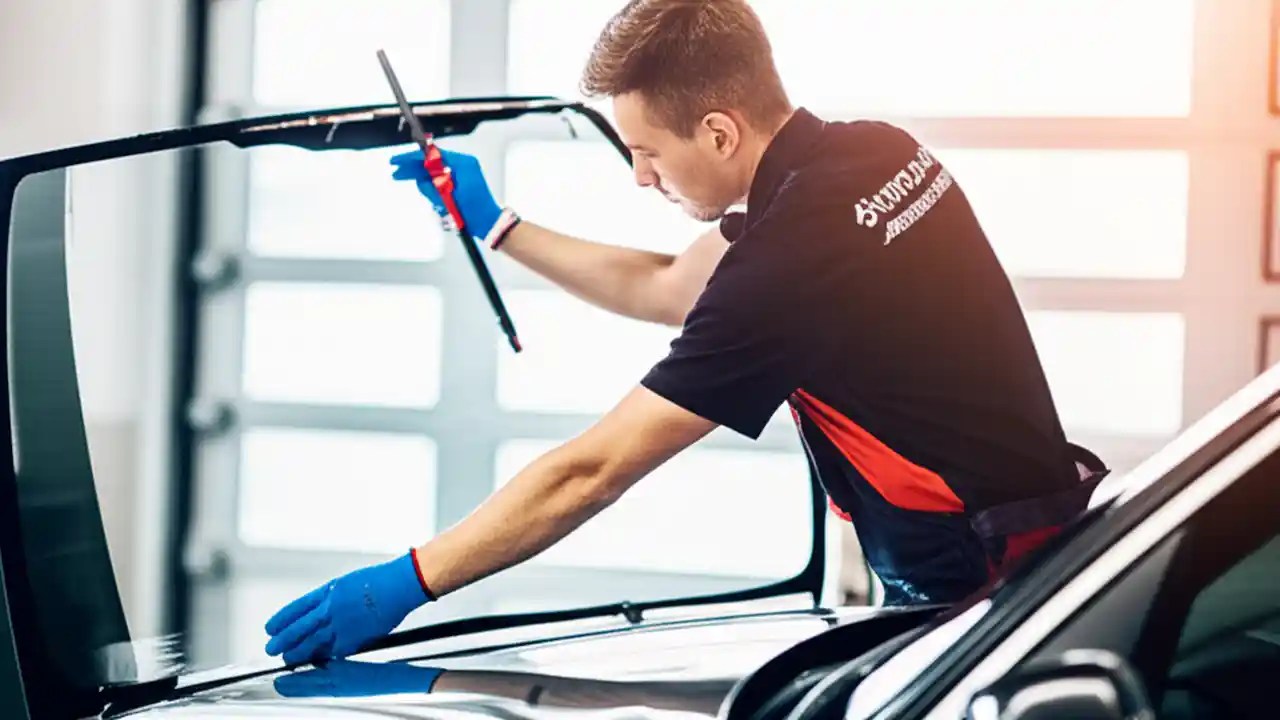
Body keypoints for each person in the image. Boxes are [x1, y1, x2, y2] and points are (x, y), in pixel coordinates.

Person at [263, 0, 1100, 666]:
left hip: (981, 587)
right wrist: (496, 223)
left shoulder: (784, 268)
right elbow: (668, 285)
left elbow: (589, 472)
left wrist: (408, 581)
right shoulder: (873, 154)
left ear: (720, 131)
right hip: (1042, 546)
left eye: (646, 152)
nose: (641, 176)